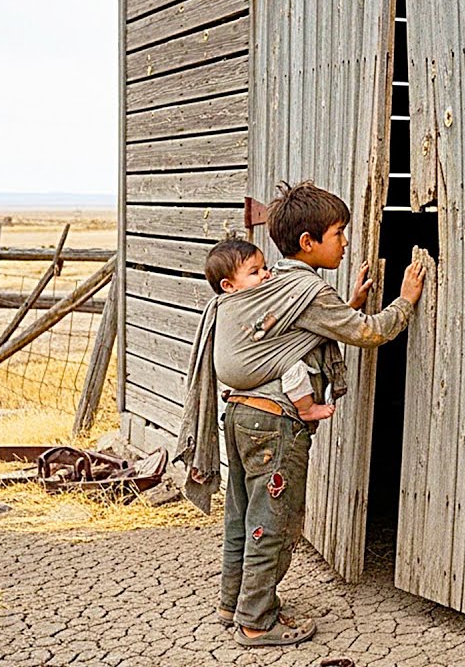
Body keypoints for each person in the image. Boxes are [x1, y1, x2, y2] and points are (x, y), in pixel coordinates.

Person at [174, 180, 426, 648]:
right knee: (275, 521)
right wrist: (406, 299)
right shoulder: (305, 289)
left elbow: (298, 329)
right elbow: (371, 333)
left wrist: (344, 304)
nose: (346, 242)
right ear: (308, 243)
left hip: (239, 417)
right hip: (275, 425)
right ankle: (257, 622)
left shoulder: (273, 285)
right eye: (339, 233)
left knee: (241, 516)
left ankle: (235, 603)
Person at [202, 238, 337, 423]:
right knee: (293, 365)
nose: (265, 274)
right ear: (228, 286)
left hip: (230, 377)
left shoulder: (227, 305)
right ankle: (306, 408)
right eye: (254, 272)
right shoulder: (250, 301)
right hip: (245, 369)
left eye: (264, 268)